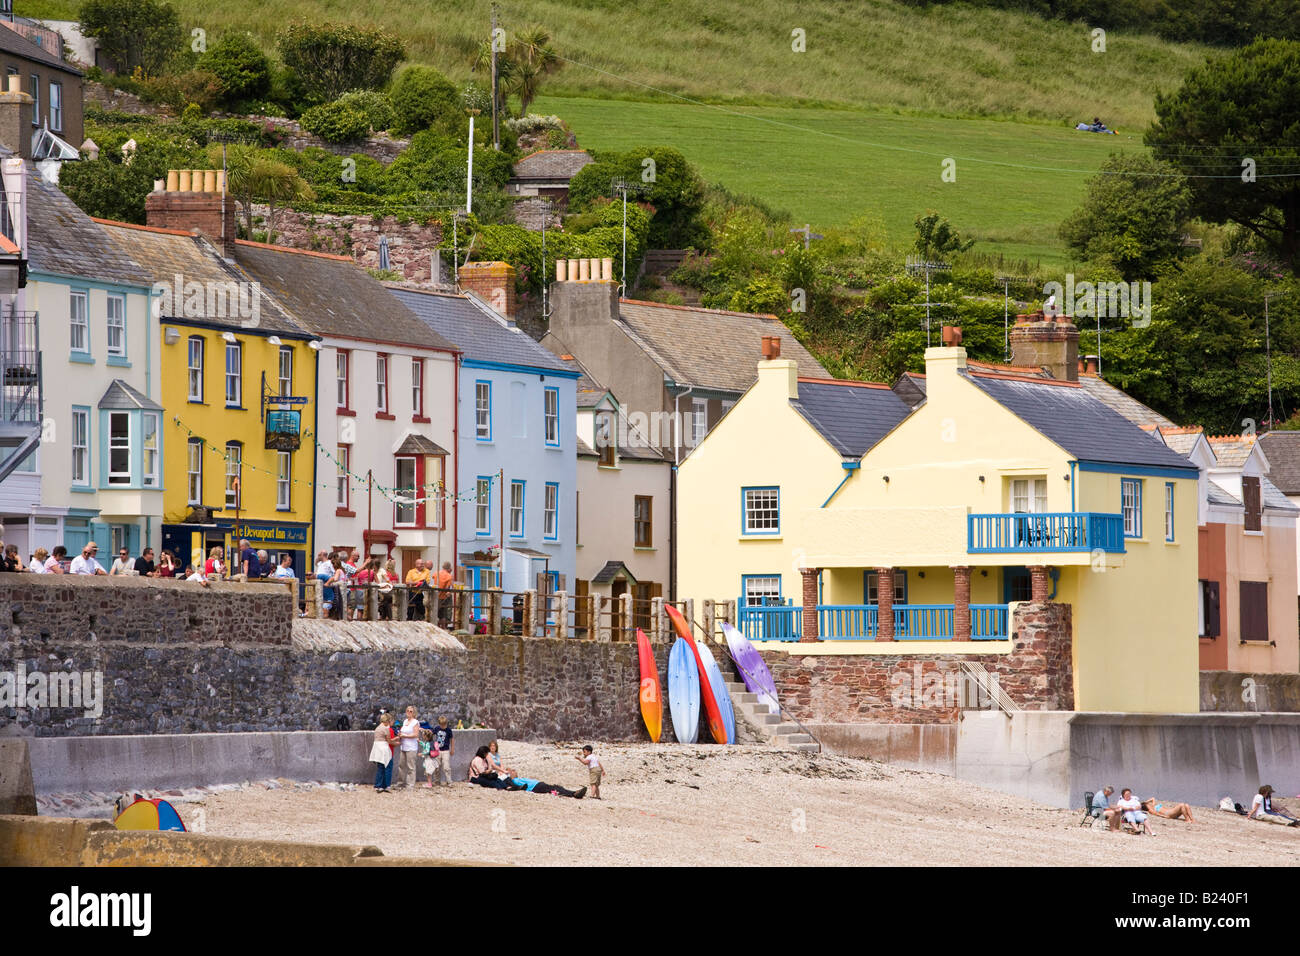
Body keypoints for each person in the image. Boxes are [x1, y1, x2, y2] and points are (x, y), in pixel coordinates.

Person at [395, 706, 421, 790]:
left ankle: (410, 784)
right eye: (407, 711)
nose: (409, 712)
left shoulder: (415, 722)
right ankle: (400, 783)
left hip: (411, 747)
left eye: (411, 711)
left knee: (411, 767)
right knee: (401, 765)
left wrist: (405, 736)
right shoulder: (405, 721)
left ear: (414, 713)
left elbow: (416, 734)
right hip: (403, 746)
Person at [370, 712, 394, 792]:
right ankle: (387, 785)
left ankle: (378, 785)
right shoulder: (386, 729)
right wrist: (397, 741)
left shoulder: (377, 728)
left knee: (380, 768)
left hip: (377, 748)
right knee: (388, 767)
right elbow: (389, 741)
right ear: (387, 721)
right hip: (384, 748)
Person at [430, 715, 454, 786]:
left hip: (446, 750)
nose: (443, 726)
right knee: (437, 766)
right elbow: (431, 733)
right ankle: (437, 780)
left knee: (446, 766)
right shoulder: (437, 728)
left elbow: (452, 739)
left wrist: (452, 748)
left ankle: (449, 781)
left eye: (444, 725)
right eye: (442, 725)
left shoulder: (448, 730)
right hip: (438, 750)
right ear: (439, 724)